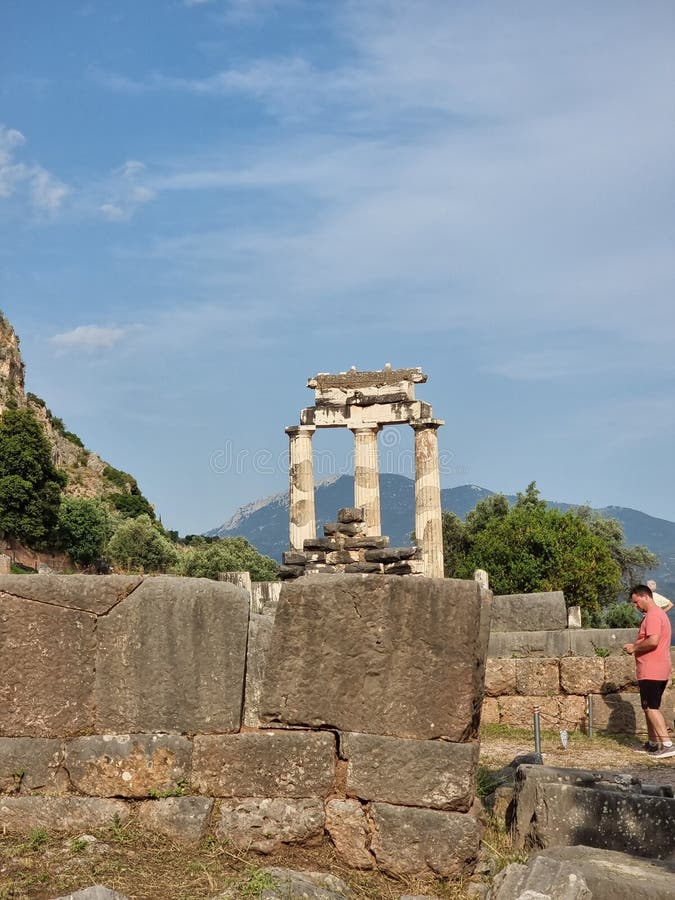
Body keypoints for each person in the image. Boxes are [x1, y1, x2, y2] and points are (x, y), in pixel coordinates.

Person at [623, 584, 674, 758]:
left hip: (652, 669)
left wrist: (634, 647)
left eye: (636, 602)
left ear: (645, 596)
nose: (636, 606)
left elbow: (653, 641)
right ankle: (653, 743)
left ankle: (667, 744)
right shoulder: (660, 614)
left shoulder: (652, 616)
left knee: (651, 707)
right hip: (659, 667)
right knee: (649, 706)